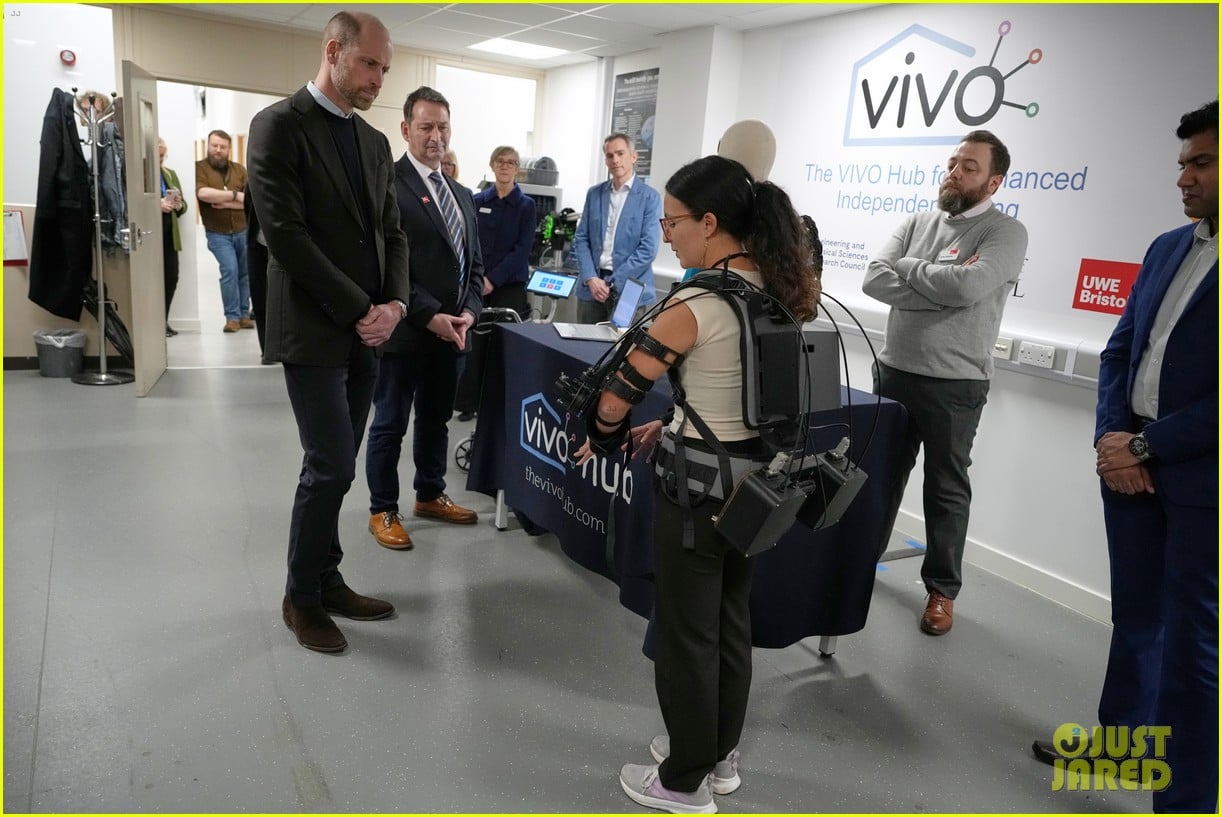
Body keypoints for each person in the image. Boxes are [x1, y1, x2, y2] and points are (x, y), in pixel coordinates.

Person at [574, 155, 818, 813]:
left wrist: (599, 429)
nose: (667, 233)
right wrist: (675, 422)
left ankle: (683, 779)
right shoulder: (778, 290)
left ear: (710, 224)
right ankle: (719, 752)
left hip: (696, 494)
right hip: (754, 487)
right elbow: (734, 391)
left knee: (687, 633)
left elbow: (619, 396)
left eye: (674, 221)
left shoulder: (696, 299)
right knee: (730, 620)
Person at [1031, 100, 1218, 813]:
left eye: (1201, 162)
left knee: (1198, 650)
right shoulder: (1169, 246)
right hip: (1132, 467)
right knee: (1137, 616)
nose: (1183, 178)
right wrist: (1115, 442)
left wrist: (1144, 443)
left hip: (1203, 482)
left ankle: (1188, 799)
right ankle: (1120, 747)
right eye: (1182, 163)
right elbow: (1119, 351)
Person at [246, 10, 410, 653]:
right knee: (330, 462)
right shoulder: (279, 127)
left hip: (369, 331)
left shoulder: (372, 144)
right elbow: (284, 236)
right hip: (315, 329)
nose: (377, 79)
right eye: (369, 64)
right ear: (335, 51)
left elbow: (392, 233)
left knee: (340, 469)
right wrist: (358, 308)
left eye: (384, 69)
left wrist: (393, 304)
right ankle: (301, 596)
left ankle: (328, 574)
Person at [862, 129, 1028, 636]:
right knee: (878, 478)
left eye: (970, 167)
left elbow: (970, 286)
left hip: (955, 384)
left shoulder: (1005, 233)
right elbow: (873, 277)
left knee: (946, 488)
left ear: (994, 180)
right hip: (893, 370)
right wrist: (940, 286)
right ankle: (860, 561)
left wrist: (911, 270)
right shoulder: (918, 220)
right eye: (954, 162)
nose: (955, 172)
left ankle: (941, 591)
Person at [364, 86, 484, 551]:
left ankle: (430, 494)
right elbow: (387, 267)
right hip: (405, 332)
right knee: (390, 423)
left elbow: (474, 265)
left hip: (452, 334)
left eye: (443, 127)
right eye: (426, 127)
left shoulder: (461, 193)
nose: (436, 136)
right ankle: (382, 508)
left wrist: (469, 313)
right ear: (406, 129)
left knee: (436, 420)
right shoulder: (388, 186)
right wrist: (431, 314)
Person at [452, 145, 537, 421]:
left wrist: (493, 279)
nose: (505, 166)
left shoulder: (526, 206)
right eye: (500, 161)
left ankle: (499, 403)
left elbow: (522, 250)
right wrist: (479, 279)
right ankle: (468, 403)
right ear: (492, 164)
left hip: (508, 287)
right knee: (473, 345)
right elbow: (469, 242)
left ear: (517, 169)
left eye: (511, 162)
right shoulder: (477, 201)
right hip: (478, 285)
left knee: (502, 347)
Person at [571, 133, 661, 323]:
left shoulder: (649, 198)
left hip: (630, 287)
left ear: (633, 156)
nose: (615, 160)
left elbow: (648, 249)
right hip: (592, 287)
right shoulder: (594, 194)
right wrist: (591, 278)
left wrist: (612, 283)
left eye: (620, 153)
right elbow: (581, 238)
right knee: (584, 348)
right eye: (610, 155)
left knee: (621, 350)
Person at [195, 129, 252, 333]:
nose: (218, 150)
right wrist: (237, 197)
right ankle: (232, 317)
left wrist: (230, 199)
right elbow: (203, 194)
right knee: (230, 270)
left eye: (222, 146)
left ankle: (245, 315)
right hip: (217, 233)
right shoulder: (199, 168)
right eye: (214, 145)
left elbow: (250, 200)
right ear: (208, 145)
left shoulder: (239, 170)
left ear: (229, 148)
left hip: (243, 229)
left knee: (245, 273)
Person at [157, 138, 187, 337]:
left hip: (169, 236)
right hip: (150, 236)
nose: (161, 159)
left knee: (171, 278)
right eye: (158, 155)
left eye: (163, 155)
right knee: (151, 282)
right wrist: (156, 204)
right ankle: (152, 323)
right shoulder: (140, 174)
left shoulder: (169, 174)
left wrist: (178, 205)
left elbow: (184, 206)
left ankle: (163, 321)